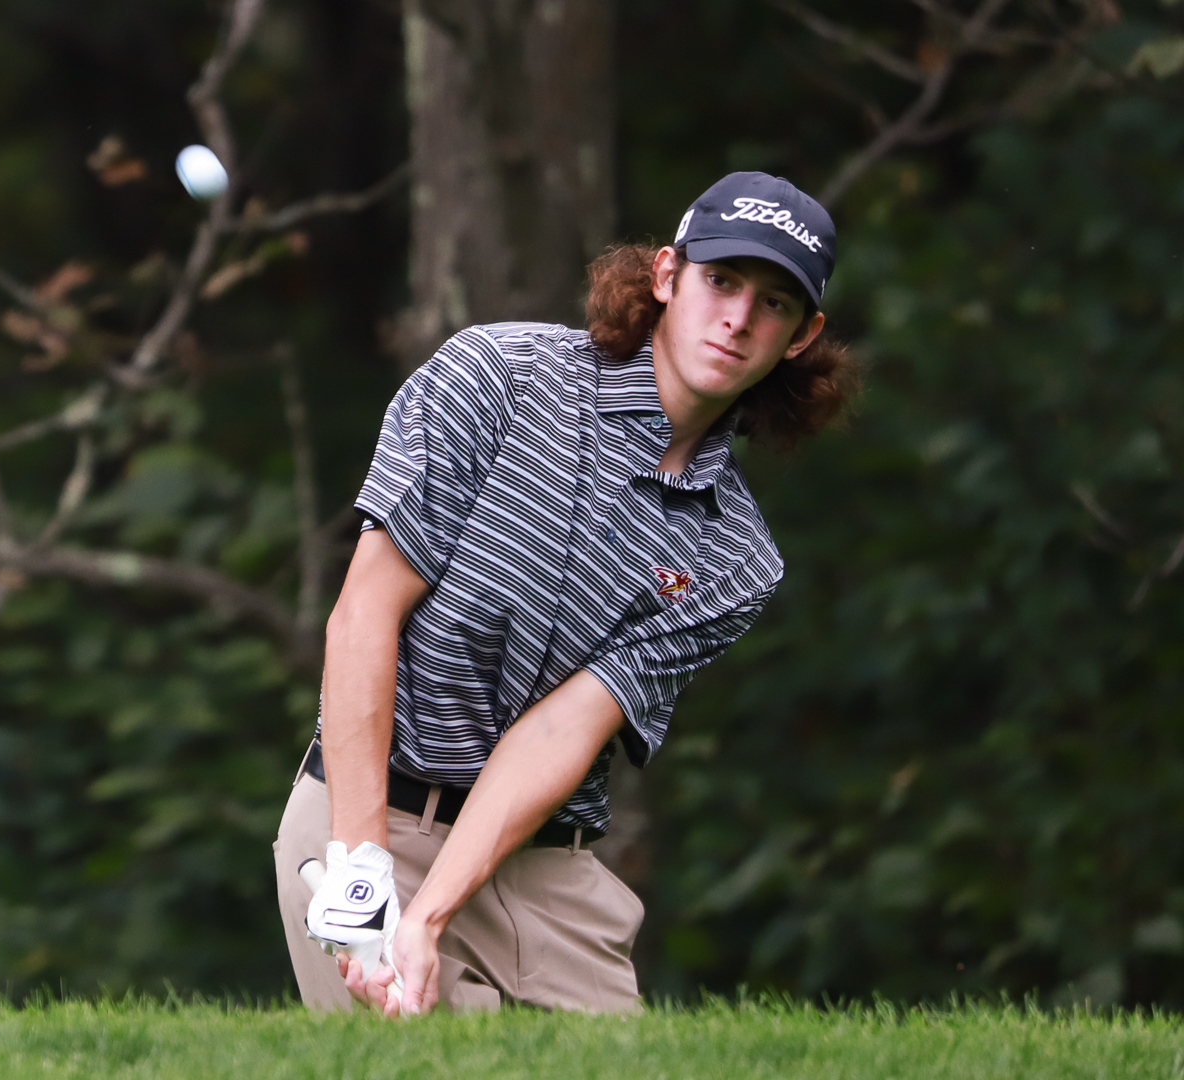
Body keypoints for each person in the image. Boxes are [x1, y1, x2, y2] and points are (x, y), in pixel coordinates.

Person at [274, 171, 860, 1015]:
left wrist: (433, 913)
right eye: (721, 282)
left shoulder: (738, 559)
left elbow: (559, 730)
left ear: (802, 335)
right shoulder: (498, 376)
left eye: (772, 304)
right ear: (666, 277)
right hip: (370, 819)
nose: (737, 318)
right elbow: (367, 610)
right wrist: (363, 873)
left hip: (547, 871)